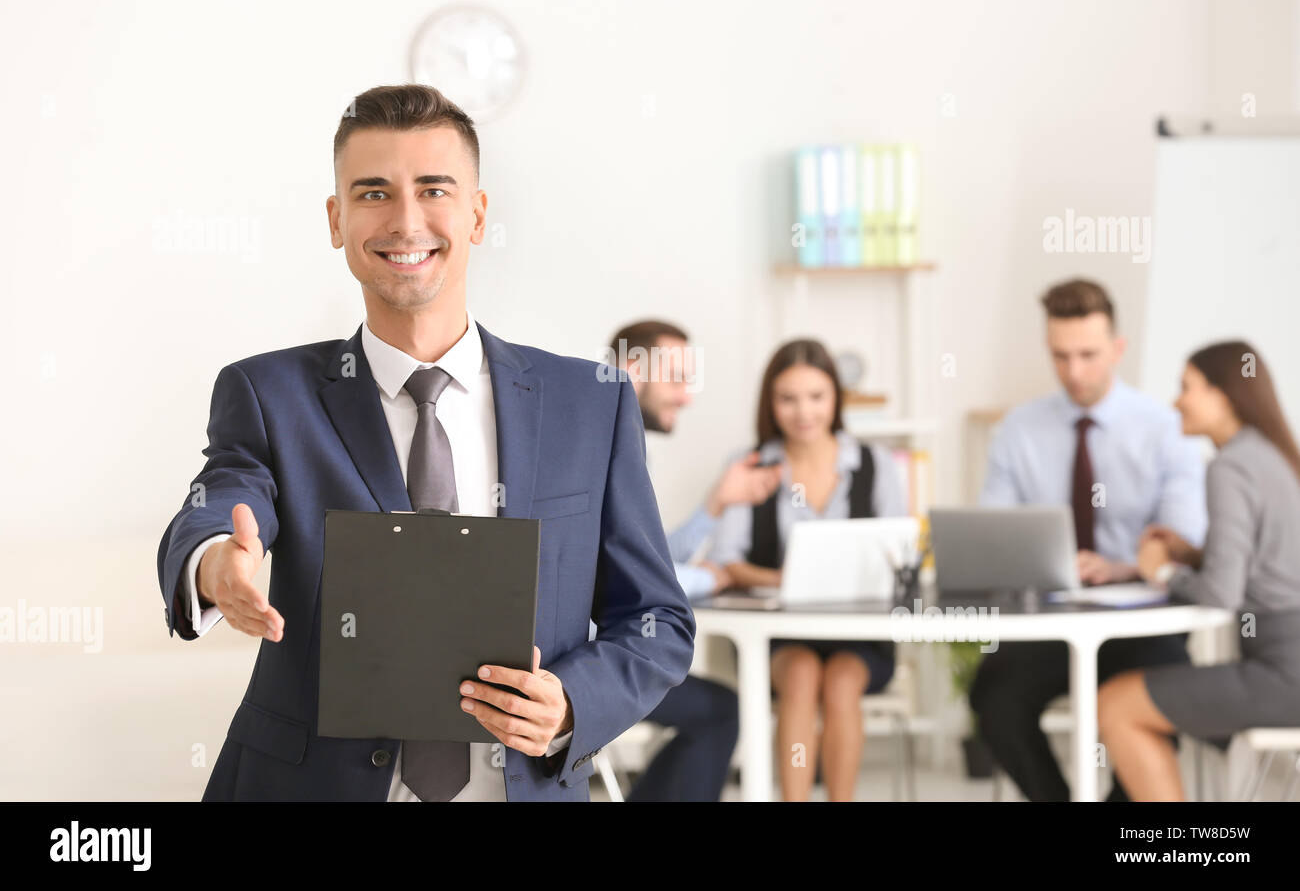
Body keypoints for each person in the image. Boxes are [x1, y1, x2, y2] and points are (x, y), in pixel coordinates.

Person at [156, 84, 695, 802]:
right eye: (373, 193)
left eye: (433, 189)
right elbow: (220, 503)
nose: (405, 222)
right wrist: (215, 562)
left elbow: (656, 622)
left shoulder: (589, 403)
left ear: (476, 213)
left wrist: (570, 703)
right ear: (336, 218)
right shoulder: (268, 394)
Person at [969, 278, 1208, 801]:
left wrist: (1125, 566)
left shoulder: (1168, 428)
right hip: (1051, 623)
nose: (1074, 372)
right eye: (1060, 356)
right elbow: (994, 531)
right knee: (994, 697)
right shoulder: (1019, 430)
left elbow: (1183, 537)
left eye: (1088, 355)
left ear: (1117, 349)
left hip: (1143, 625)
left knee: (1166, 697)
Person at [706, 338, 908, 801]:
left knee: (840, 682)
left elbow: (900, 554)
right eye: (788, 399)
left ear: (836, 398)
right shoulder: (751, 465)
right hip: (778, 633)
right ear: (770, 403)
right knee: (800, 676)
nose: (803, 412)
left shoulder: (876, 465)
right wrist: (788, 580)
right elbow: (728, 562)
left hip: (860, 634)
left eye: (816, 397)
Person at [1099, 341, 1300, 800]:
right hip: (1289, 669)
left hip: (1284, 676)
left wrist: (1161, 573)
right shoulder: (1274, 456)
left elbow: (1222, 596)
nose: (1176, 401)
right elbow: (1265, 562)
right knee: (1126, 700)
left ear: (1223, 395)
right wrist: (1191, 556)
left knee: (1115, 704)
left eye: (1186, 387)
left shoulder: (1229, 467)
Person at [608, 319, 781, 801]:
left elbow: (646, 555)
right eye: (678, 379)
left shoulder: (619, 437)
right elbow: (623, 574)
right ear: (634, 370)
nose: (687, 397)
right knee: (721, 712)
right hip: (586, 651)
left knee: (719, 711)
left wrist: (716, 504)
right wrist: (707, 579)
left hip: (603, 640)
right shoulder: (601, 442)